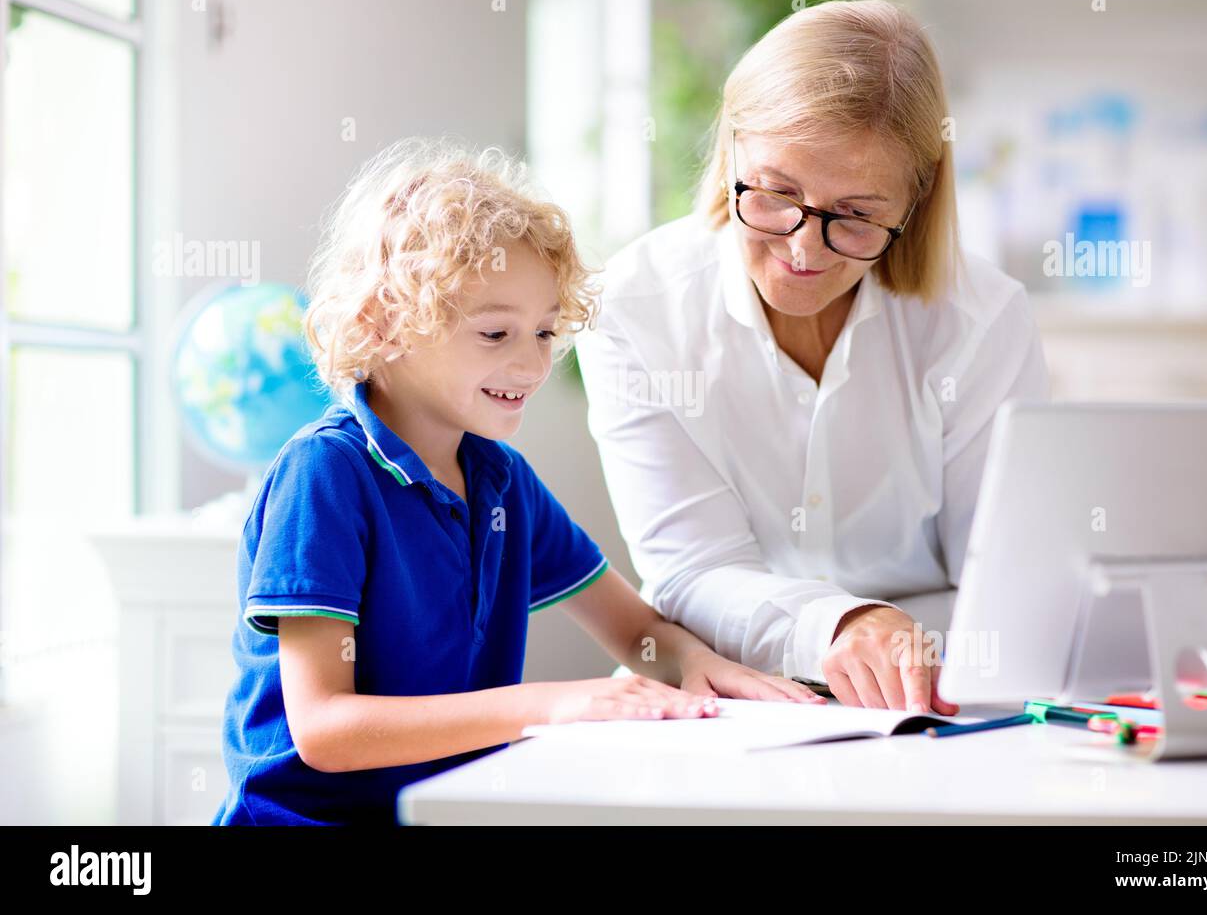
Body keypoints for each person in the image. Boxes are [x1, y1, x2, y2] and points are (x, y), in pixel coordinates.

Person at [213, 138, 822, 825]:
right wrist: (553, 705)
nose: (532, 366)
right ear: (386, 326)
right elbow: (324, 729)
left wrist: (699, 665)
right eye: (496, 334)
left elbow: (636, 632)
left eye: (543, 332)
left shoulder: (502, 481)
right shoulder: (325, 474)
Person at [574, 0, 1051, 714]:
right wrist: (840, 623)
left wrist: (897, 642)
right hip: (727, 698)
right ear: (732, 150)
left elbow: (1002, 571)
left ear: (914, 200)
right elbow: (693, 570)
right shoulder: (637, 308)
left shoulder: (981, 321)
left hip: (939, 693)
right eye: (775, 193)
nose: (803, 249)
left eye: (855, 215)